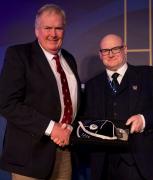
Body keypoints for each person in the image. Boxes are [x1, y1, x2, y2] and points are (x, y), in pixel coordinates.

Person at [0, 4, 81, 180]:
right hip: (30, 156)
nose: (53, 34)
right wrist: (52, 128)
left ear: (64, 30)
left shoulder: (69, 59)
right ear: (37, 30)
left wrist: (68, 129)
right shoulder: (18, 55)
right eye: (47, 28)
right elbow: (7, 103)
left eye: (58, 28)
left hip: (64, 152)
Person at [82, 34, 153, 180]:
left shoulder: (149, 75)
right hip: (106, 167)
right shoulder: (91, 86)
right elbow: (86, 121)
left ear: (125, 49)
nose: (110, 54)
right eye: (105, 51)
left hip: (146, 163)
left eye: (115, 49)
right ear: (100, 55)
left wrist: (144, 119)